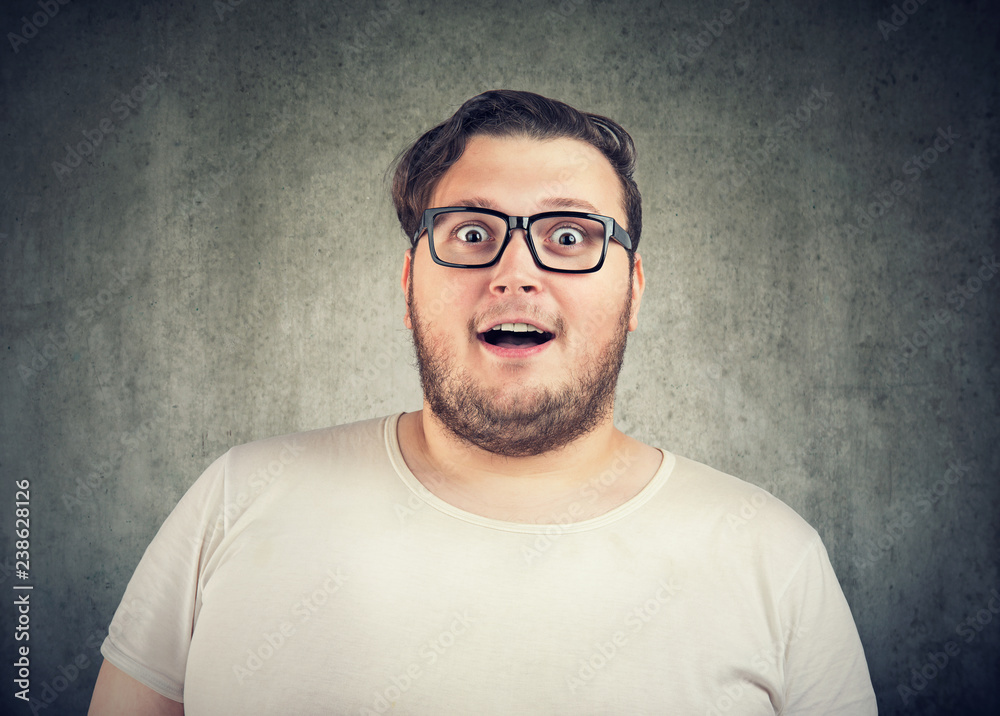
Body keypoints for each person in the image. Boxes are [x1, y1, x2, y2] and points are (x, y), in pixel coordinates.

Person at [89, 90, 877, 715]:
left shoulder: (775, 557)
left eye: (570, 237)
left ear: (632, 291)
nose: (517, 273)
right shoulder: (236, 498)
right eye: (471, 233)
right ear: (409, 287)